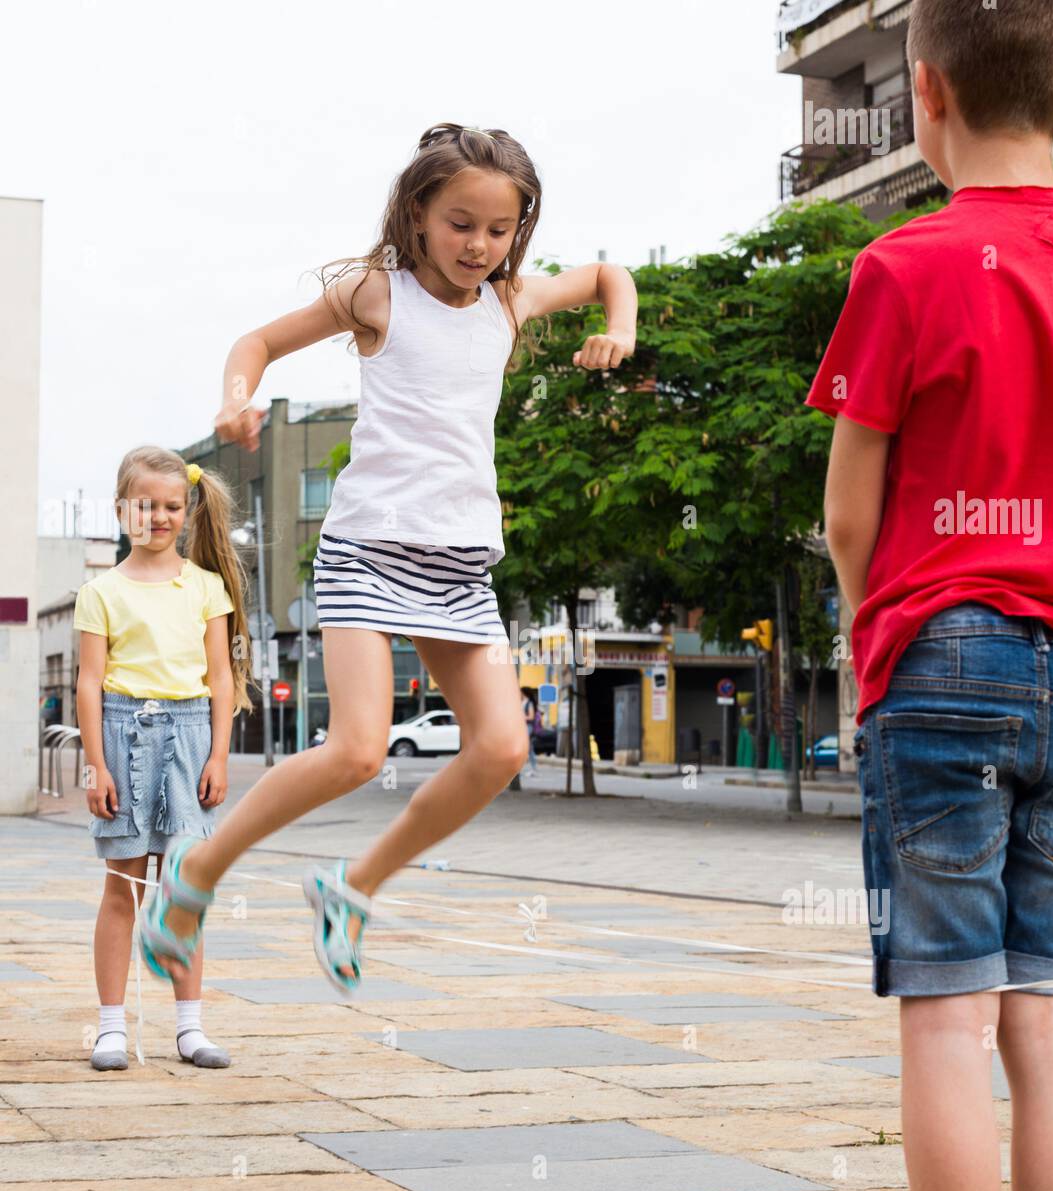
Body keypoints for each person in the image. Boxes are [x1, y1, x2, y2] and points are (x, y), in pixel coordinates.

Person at [137, 122, 638, 996]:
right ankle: (198, 871)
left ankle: (350, 886)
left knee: (499, 748)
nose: (479, 246)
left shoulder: (509, 301)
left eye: (498, 230)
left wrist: (618, 330)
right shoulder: (379, 294)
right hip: (368, 549)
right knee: (360, 749)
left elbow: (605, 276)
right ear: (416, 215)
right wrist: (234, 404)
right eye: (459, 224)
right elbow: (254, 344)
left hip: (457, 564)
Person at [808, 0, 1053, 1191]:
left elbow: (847, 510)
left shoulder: (900, 268)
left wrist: (876, 649)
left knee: (948, 1015)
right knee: (1052, 1018)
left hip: (938, 659)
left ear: (921, 95)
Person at [73, 448, 252, 1069]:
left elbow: (222, 679)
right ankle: (110, 1027)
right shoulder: (99, 592)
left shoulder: (206, 588)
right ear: (123, 509)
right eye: (146, 505)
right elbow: (89, 684)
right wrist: (95, 764)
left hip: (190, 736)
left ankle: (190, 1026)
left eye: (172, 506)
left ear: (188, 509)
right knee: (122, 887)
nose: (160, 517)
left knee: (181, 890)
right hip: (123, 735)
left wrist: (220, 756)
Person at [521, 687, 538, 775]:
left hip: (528, 727)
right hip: (522, 727)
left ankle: (534, 768)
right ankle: (533, 768)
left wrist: (522, 717)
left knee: (527, 747)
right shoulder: (522, 702)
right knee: (529, 748)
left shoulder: (529, 703)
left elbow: (531, 717)